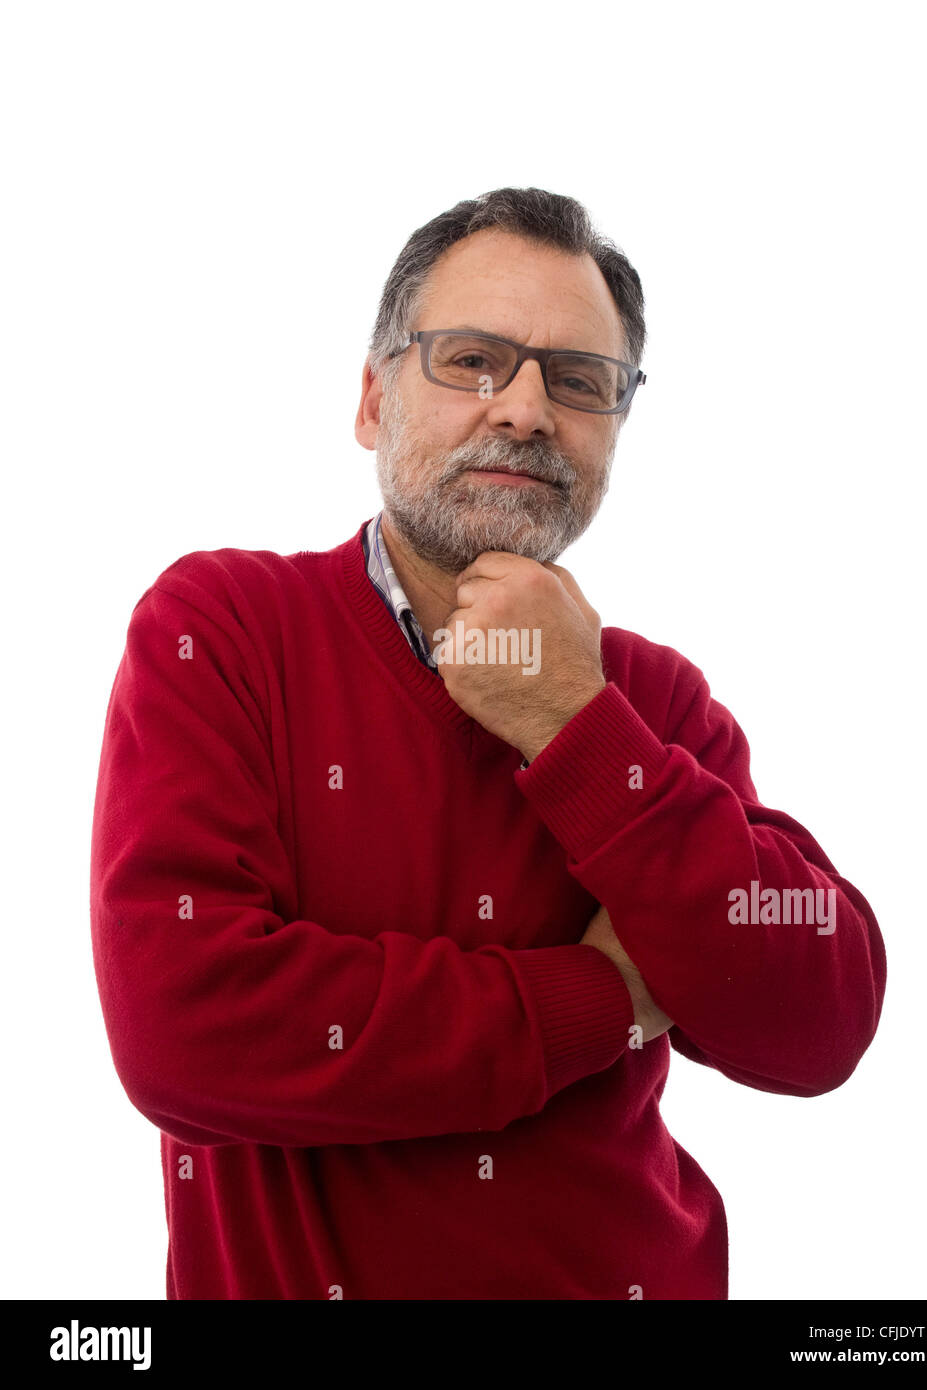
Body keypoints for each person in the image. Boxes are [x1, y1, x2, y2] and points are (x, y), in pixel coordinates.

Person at [89, 186, 886, 1300]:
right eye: (471, 358)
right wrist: (599, 1000)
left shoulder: (649, 701)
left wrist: (573, 724)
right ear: (373, 401)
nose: (523, 409)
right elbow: (185, 1028)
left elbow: (821, 1013)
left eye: (578, 381)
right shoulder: (220, 628)